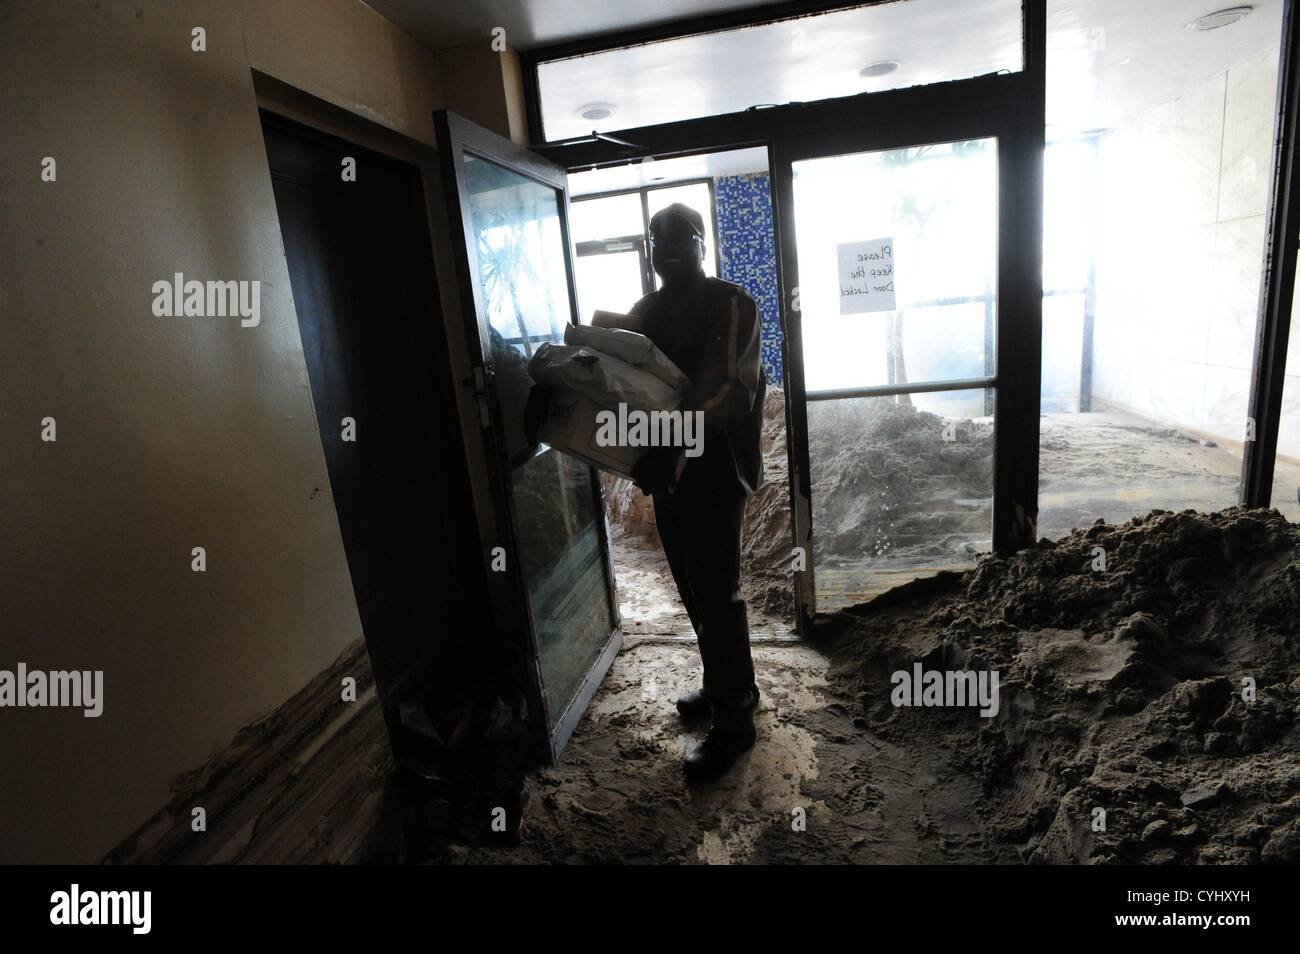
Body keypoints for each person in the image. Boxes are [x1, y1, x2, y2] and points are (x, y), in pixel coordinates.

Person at [628, 203, 767, 783]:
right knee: (689, 586)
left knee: (716, 591)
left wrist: (665, 438)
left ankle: (735, 722)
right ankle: (724, 685)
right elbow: (623, 385)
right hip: (666, 476)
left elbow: (730, 390)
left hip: (716, 473)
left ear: (703, 245)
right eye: (657, 238)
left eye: (683, 236)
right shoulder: (641, 312)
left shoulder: (731, 304)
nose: (669, 246)